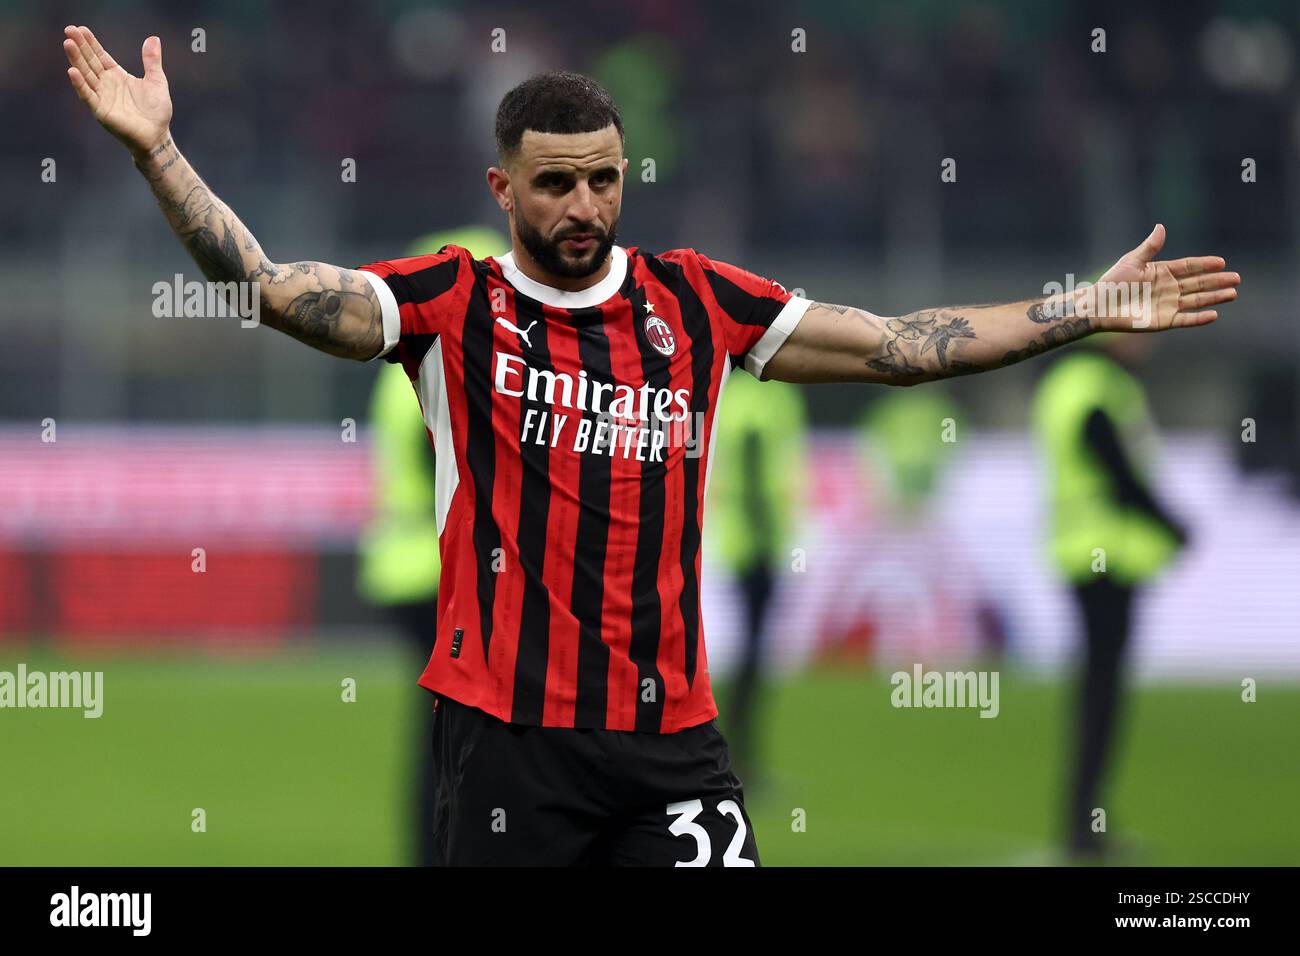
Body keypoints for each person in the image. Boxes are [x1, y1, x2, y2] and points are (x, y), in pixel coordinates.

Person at [63, 26, 1240, 865]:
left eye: (605, 181)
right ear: (505, 186)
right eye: (557, 184)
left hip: (673, 738)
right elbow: (268, 288)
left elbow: (901, 344)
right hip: (509, 741)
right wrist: (158, 156)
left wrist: (1079, 305)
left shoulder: (697, 303)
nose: (584, 205)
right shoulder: (449, 303)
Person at [357, 226, 507, 866]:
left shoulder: (399, 370)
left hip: (403, 567)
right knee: (463, 736)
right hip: (442, 574)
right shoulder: (454, 366)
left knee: (446, 731)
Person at [1032, 334, 1188, 859]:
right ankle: (1085, 823)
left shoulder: (1066, 382)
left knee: (1097, 688)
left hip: (1083, 550)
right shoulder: (1096, 386)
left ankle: (1084, 820)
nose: (1146, 341)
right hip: (1105, 552)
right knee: (1103, 692)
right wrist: (1173, 525)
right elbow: (1118, 473)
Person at [706, 373, 807, 786]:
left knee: (753, 654)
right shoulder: (759, 396)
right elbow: (750, 471)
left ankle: (737, 755)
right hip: (753, 546)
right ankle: (736, 758)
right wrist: (765, 537)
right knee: (752, 657)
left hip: (752, 542)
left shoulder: (741, 393)